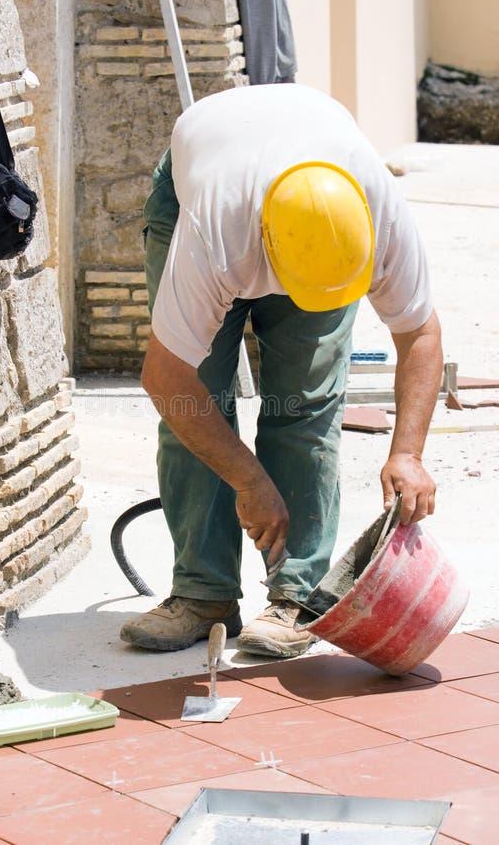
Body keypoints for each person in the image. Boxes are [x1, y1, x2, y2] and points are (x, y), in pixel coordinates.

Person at [120, 83, 442, 658]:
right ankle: (203, 593)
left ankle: (296, 595)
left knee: (306, 403)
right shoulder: (215, 236)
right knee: (197, 406)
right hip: (205, 181)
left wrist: (408, 454)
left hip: (303, 177)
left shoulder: (374, 215)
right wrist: (249, 480)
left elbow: (419, 333)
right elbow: (168, 380)